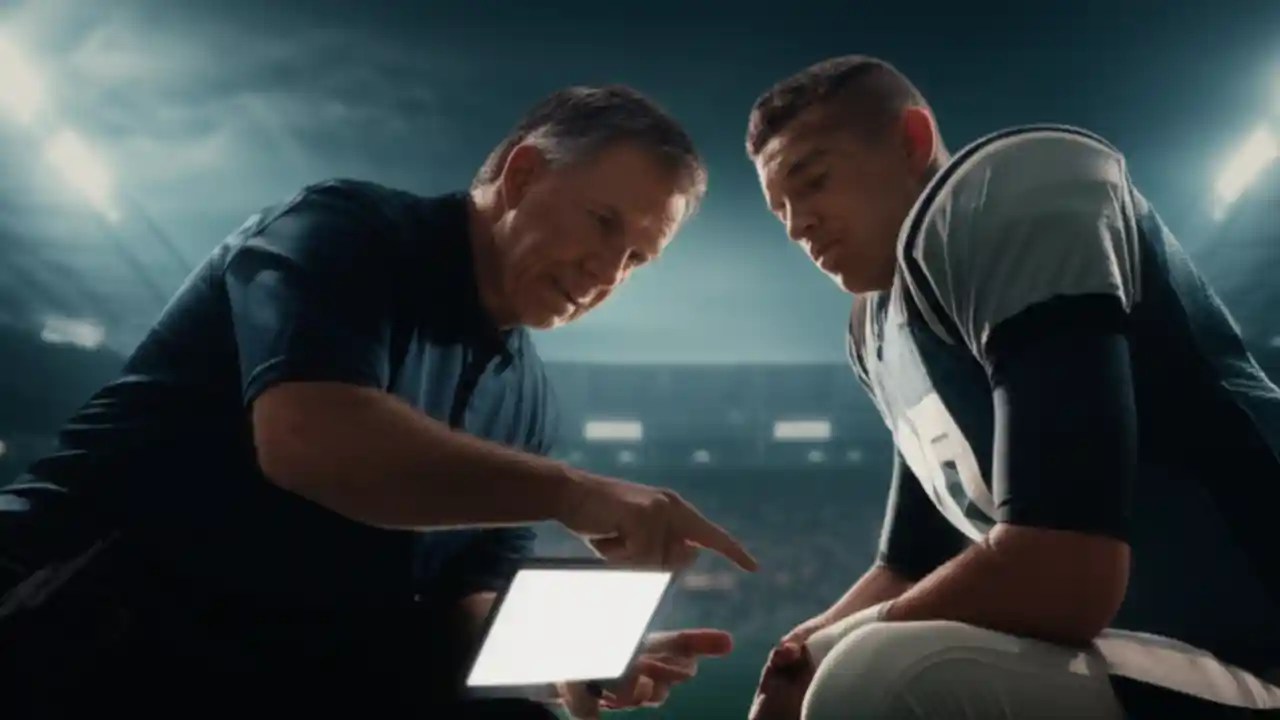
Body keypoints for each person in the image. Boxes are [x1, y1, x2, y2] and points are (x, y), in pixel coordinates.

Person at [0, 85, 757, 719]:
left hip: (257, 669)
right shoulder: (345, 232)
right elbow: (310, 440)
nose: (607, 270)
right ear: (523, 174)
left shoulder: (530, 408)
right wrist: (571, 493)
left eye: (636, 258)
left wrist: (579, 660)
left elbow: (460, 611)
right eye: (603, 223)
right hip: (75, 619)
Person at [742, 55, 1280, 719]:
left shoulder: (1004, 194)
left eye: (814, 181)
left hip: (1256, 645)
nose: (798, 224)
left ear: (911, 140)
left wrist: (837, 646)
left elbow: (1065, 568)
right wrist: (801, 648)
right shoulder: (879, 325)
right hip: (1159, 649)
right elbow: (910, 563)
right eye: (781, 211)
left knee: (879, 678)